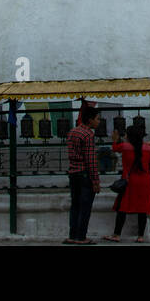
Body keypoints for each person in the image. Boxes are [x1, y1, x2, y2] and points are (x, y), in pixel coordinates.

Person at [106, 123, 150, 242]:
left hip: (129, 182)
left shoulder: (125, 146)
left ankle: (117, 235)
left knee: (122, 208)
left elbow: (114, 148)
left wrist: (115, 140)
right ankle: (140, 236)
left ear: (129, 136)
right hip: (144, 182)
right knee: (142, 209)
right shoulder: (148, 148)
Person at [64, 103, 101, 245]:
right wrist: (96, 181)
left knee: (75, 206)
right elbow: (90, 160)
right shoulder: (88, 134)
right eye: (97, 119)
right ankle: (81, 237)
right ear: (90, 120)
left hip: (73, 173)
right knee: (85, 207)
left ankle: (72, 235)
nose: (98, 122)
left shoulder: (72, 132)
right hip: (85, 174)